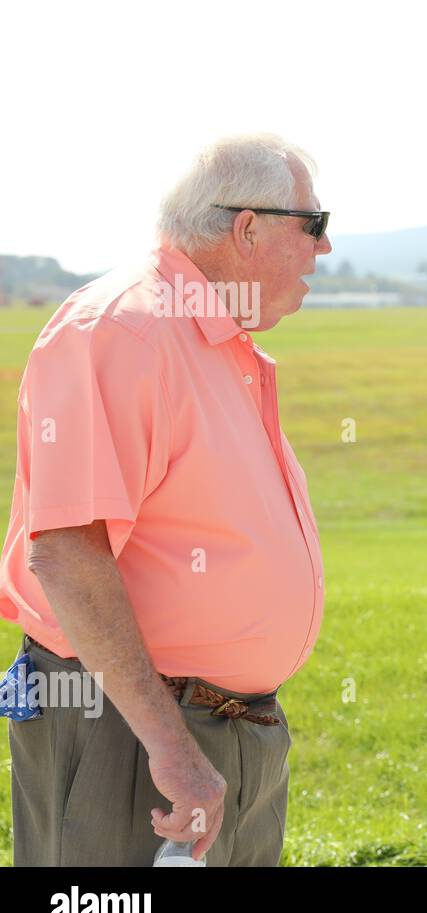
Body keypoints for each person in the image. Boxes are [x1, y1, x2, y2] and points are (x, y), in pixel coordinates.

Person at [0, 133, 331, 866]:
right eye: (313, 224)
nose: (325, 248)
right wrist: (173, 751)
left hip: (218, 728)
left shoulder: (207, 336)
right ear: (248, 227)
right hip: (135, 734)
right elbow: (65, 552)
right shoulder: (124, 332)